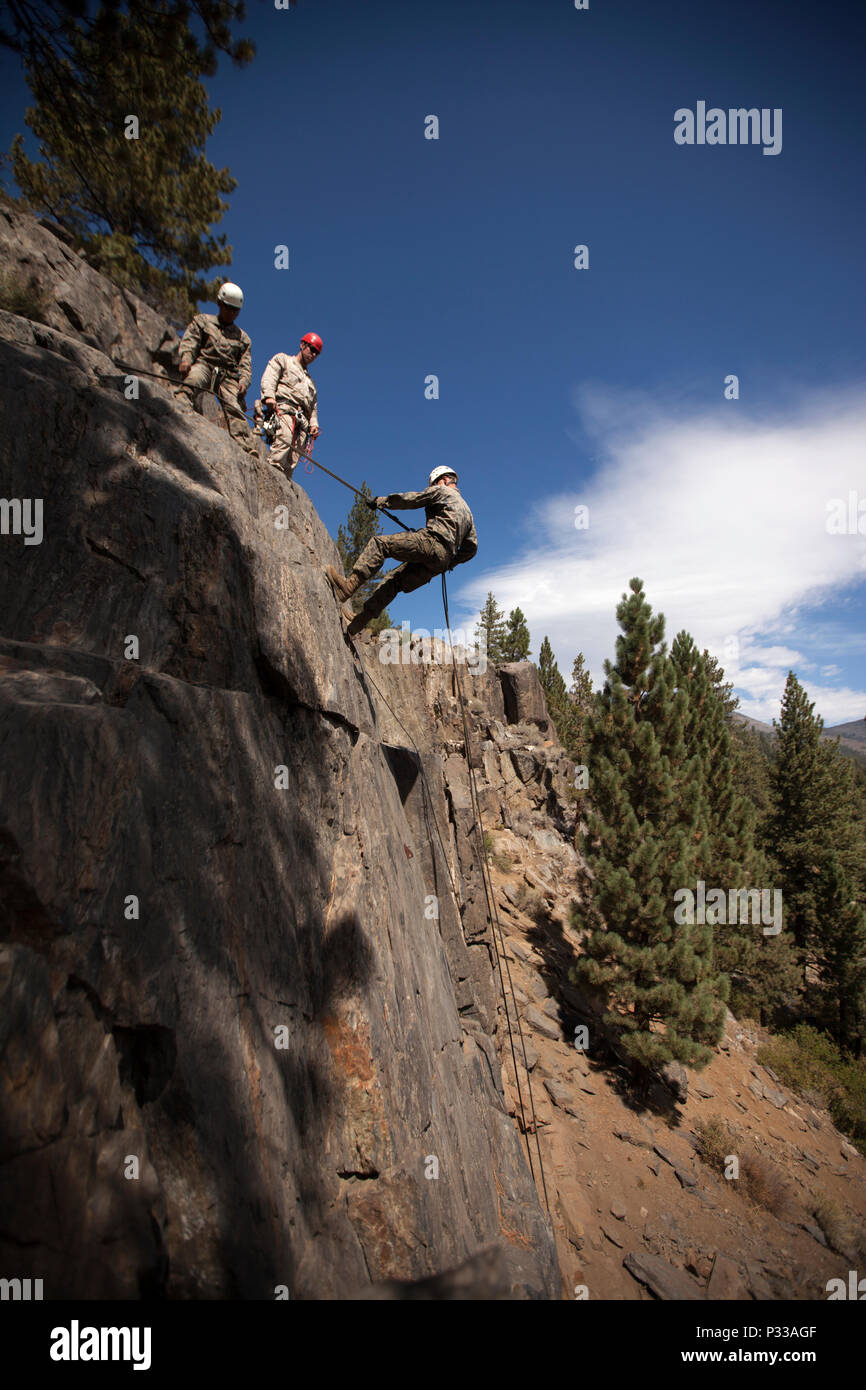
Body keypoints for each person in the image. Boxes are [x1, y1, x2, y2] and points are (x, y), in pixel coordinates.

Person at [325, 466, 477, 636]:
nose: (433, 487)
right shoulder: (468, 513)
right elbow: (471, 548)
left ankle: (348, 586)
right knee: (394, 582)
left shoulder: (442, 491)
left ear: (443, 480)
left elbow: (412, 499)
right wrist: (450, 562)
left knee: (380, 544)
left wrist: (380, 501)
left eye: (434, 484)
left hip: (431, 542)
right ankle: (358, 623)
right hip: (439, 562)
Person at [175, 282, 258, 458]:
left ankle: (244, 445)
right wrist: (186, 359)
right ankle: (179, 409)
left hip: (228, 376)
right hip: (205, 364)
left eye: (235, 310)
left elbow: (245, 364)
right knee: (193, 380)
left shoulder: (243, 338)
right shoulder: (203, 321)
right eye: (228, 308)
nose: (231, 313)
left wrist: (244, 382)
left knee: (234, 406)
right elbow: (190, 342)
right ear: (220, 304)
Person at [259, 333, 322, 477]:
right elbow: (270, 376)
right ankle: (270, 476)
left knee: (293, 458)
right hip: (284, 410)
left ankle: (284, 484)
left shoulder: (310, 383)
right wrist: (269, 396)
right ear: (302, 345)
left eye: (316, 353)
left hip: (302, 422)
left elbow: (313, 407)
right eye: (311, 349)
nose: (313, 354)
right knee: (283, 442)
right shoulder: (284, 360)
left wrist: (314, 424)